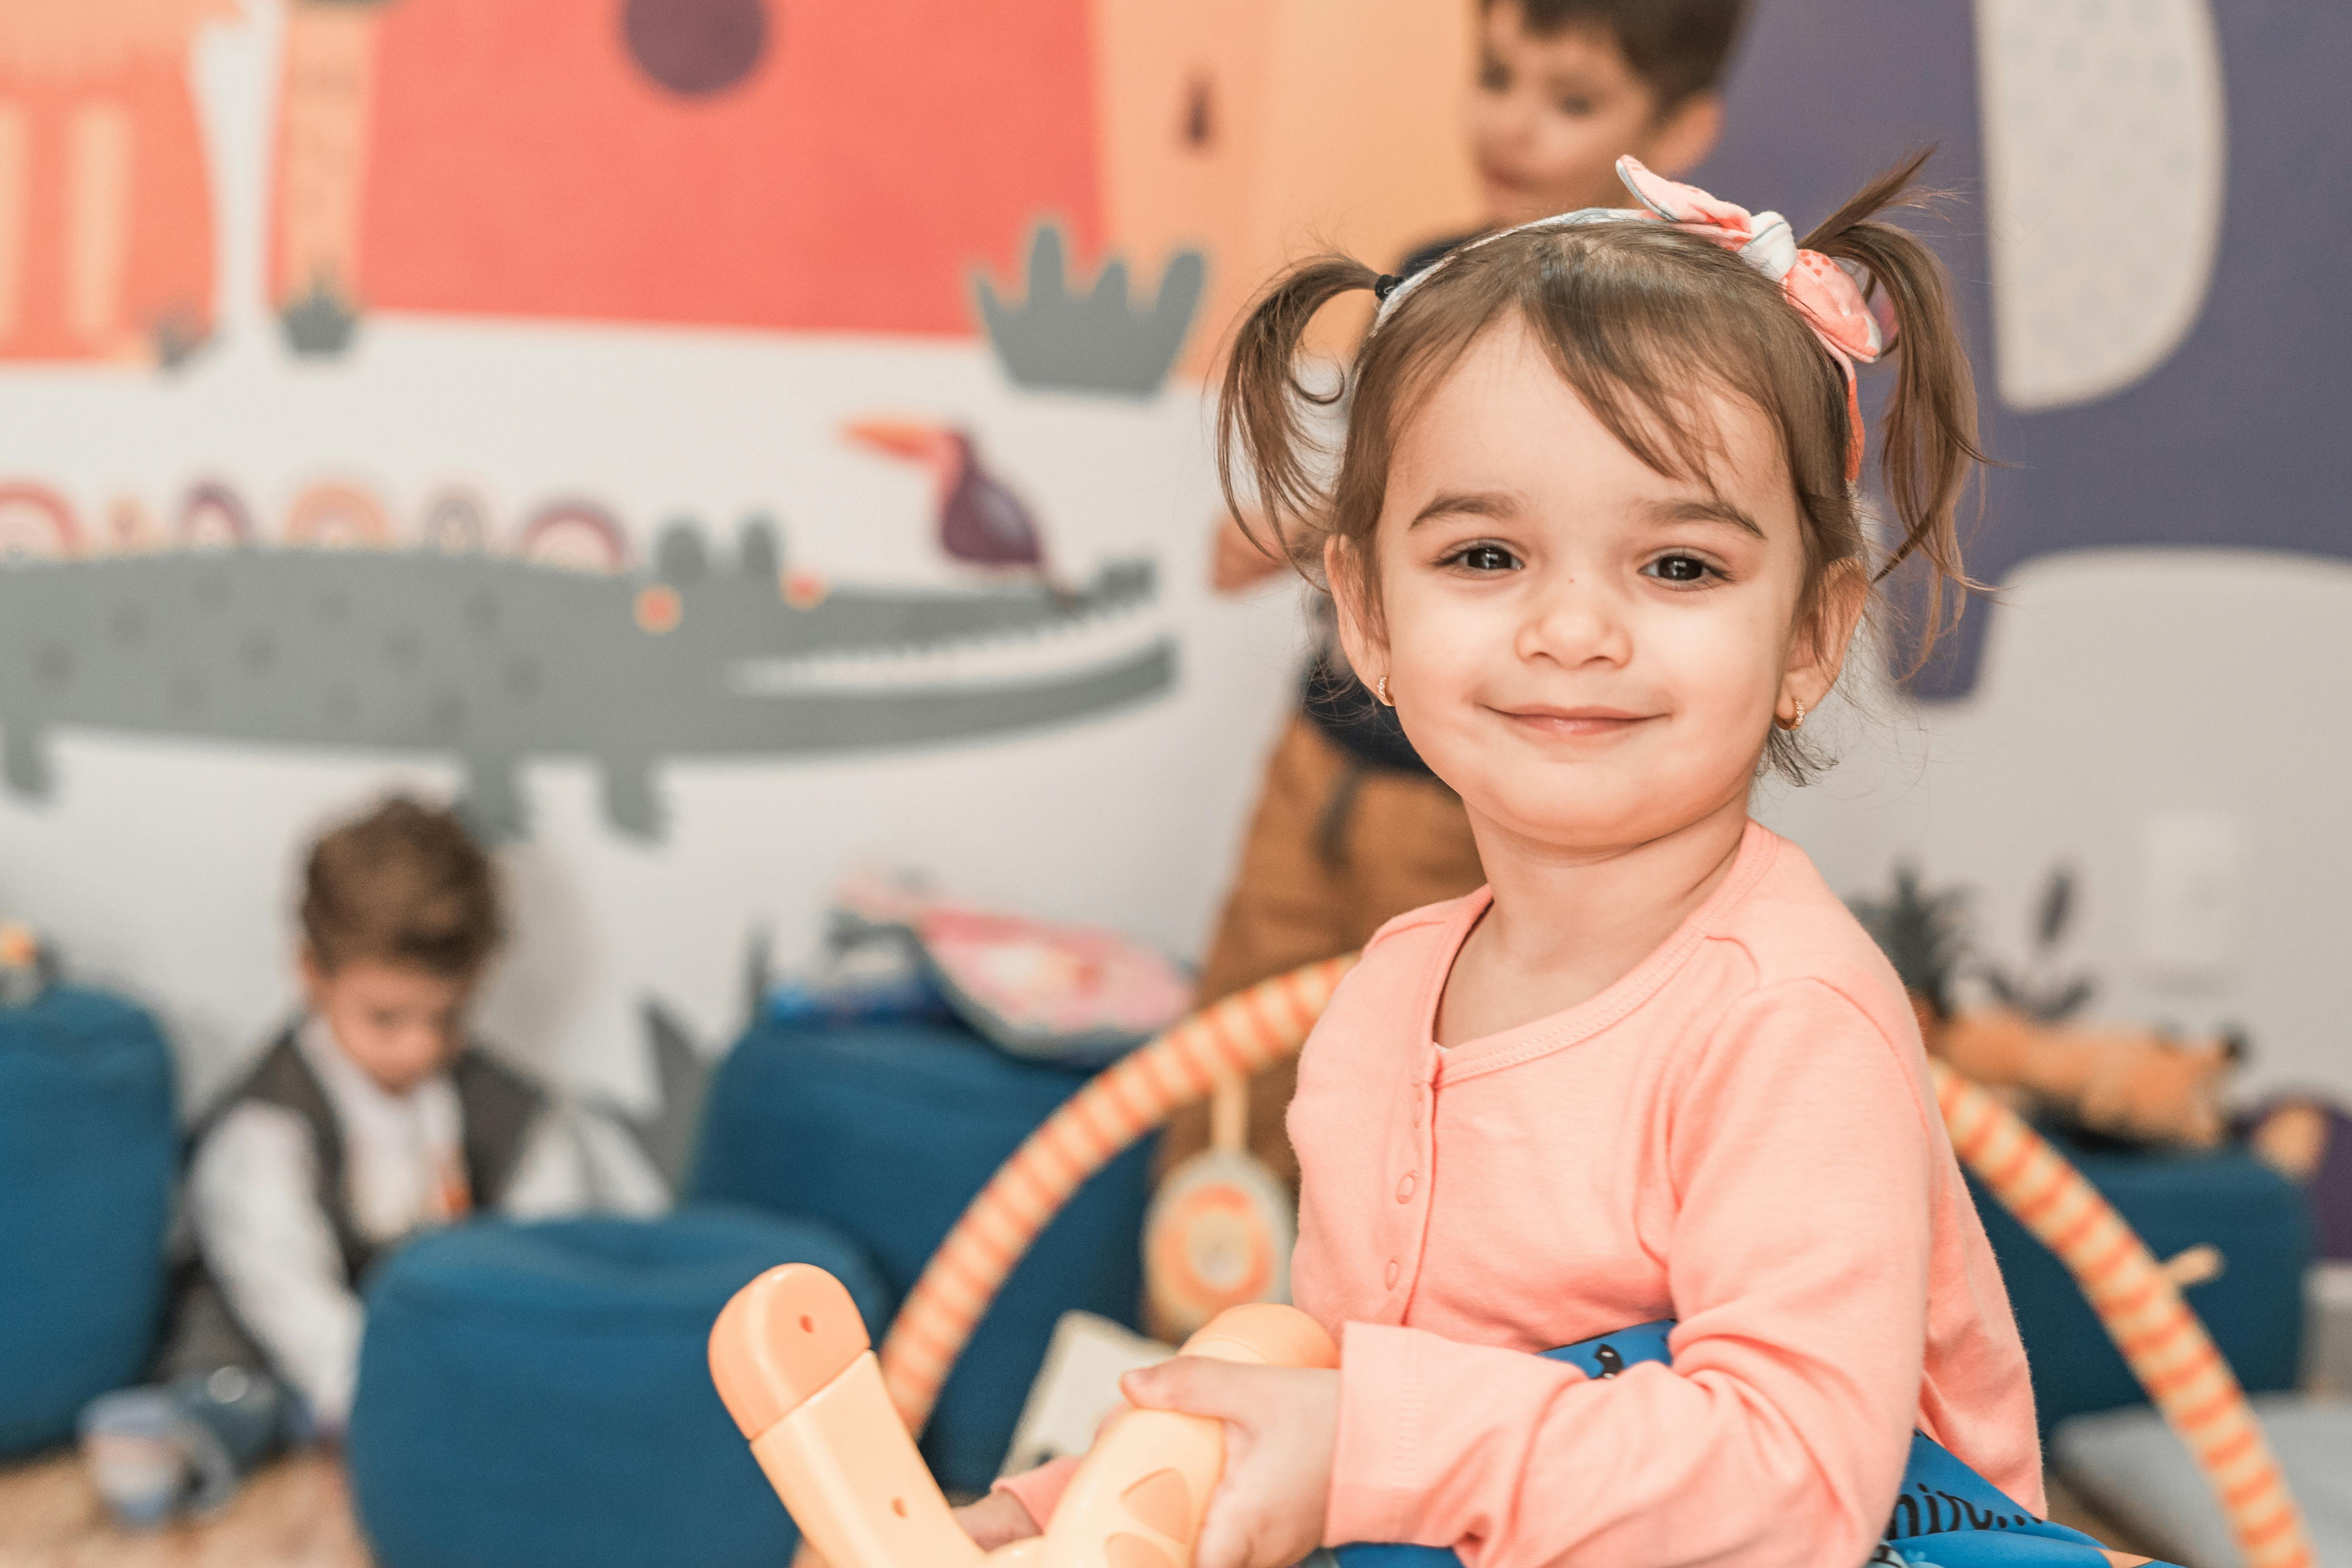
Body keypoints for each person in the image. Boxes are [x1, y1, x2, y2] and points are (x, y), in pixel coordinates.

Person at [960, 150, 2045, 1568]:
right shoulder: (1382, 1004)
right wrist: (1027, 1515)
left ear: (1807, 639)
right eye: (1485, 558)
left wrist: (1363, 1453)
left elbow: (1793, 1489)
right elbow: (1336, 1396)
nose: (1574, 630)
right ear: (1367, 614)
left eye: (1679, 568)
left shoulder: (1788, 1021)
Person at [1176, 0, 1745, 1196]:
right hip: (1322, 744)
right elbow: (1412, 507)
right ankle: (1197, 1331)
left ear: (1680, 128)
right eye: (1497, 76)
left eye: (1573, 100)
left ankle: (1393, 1368)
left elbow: (1568, 539)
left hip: (1475, 791)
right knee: (1230, 1066)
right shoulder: (1426, 278)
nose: (1515, 121)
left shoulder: (1657, 327)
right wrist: (1302, 527)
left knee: (1435, 1095)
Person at [81, 797, 662, 1524]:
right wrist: (400, 1408)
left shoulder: (511, 1113)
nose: (419, 1048)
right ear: (312, 974)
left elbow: (547, 1260)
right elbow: (296, 1309)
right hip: (296, 1367)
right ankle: (194, 1449)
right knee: (230, 1403)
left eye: (448, 1018)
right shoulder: (267, 1127)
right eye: (386, 1019)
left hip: (456, 1366)